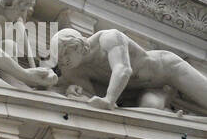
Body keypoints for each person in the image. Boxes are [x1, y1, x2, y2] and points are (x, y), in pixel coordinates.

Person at [50, 27, 207, 113]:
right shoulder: (73, 71)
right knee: (149, 111)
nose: (64, 61)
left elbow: (123, 69)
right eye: (60, 59)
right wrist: (76, 92)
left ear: (76, 45)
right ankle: (169, 108)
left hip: (168, 69)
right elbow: (93, 98)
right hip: (149, 89)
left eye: (65, 54)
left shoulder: (109, 38)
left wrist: (109, 100)